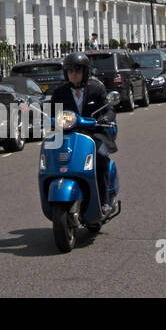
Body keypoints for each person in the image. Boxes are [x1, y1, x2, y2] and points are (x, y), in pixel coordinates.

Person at [48, 52, 117, 214]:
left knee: (100, 157)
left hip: (94, 134)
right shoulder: (60, 92)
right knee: (54, 158)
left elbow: (108, 109)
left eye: (77, 71)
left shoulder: (96, 89)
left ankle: (104, 201)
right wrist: (45, 120)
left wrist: (104, 119)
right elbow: (51, 113)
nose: (74, 74)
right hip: (67, 136)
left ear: (85, 72)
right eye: (70, 71)